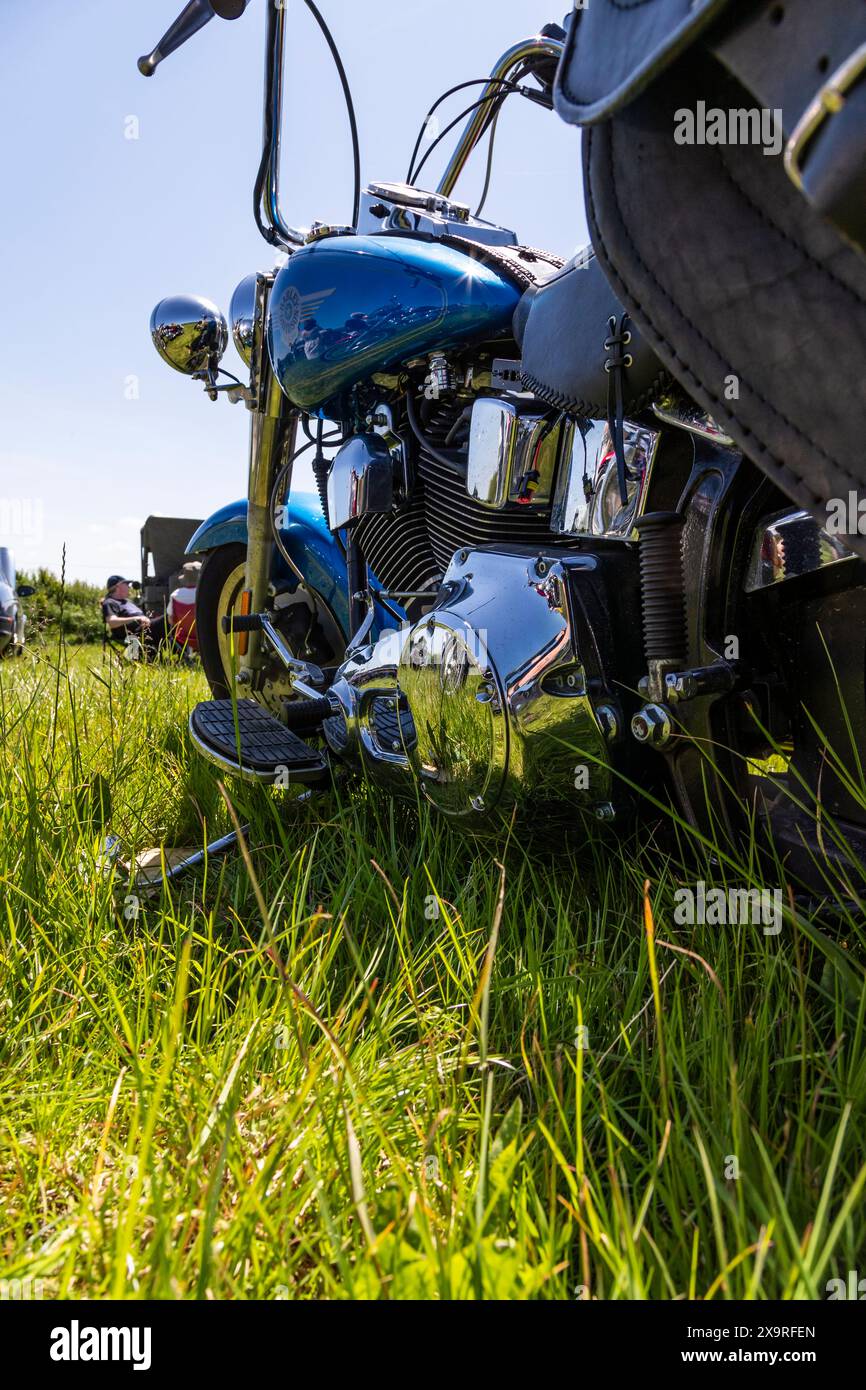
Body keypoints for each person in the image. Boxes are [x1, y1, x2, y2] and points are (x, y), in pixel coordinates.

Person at [101, 576, 169, 659]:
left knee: (173, 619)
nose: (129, 587)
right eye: (126, 584)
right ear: (117, 587)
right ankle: (183, 657)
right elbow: (112, 622)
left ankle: (182, 656)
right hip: (134, 632)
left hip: (146, 628)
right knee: (168, 617)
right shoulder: (110, 602)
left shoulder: (128, 602)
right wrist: (136, 618)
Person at [167, 561, 201, 652]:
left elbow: (171, 620)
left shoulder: (175, 595)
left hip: (183, 637)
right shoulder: (204, 594)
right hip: (203, 636)